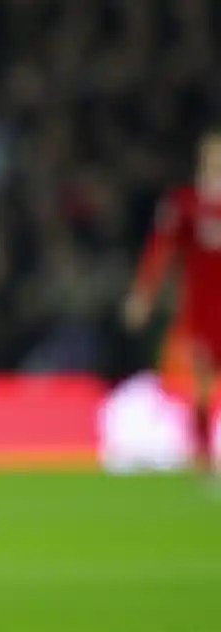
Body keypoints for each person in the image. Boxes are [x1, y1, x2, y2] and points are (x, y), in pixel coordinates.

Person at [124, 129, 221, 479]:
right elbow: (160, 251)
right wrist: (144, 295)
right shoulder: (186, 204)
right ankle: (203, 456)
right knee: (203, 384)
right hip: (202, 308)